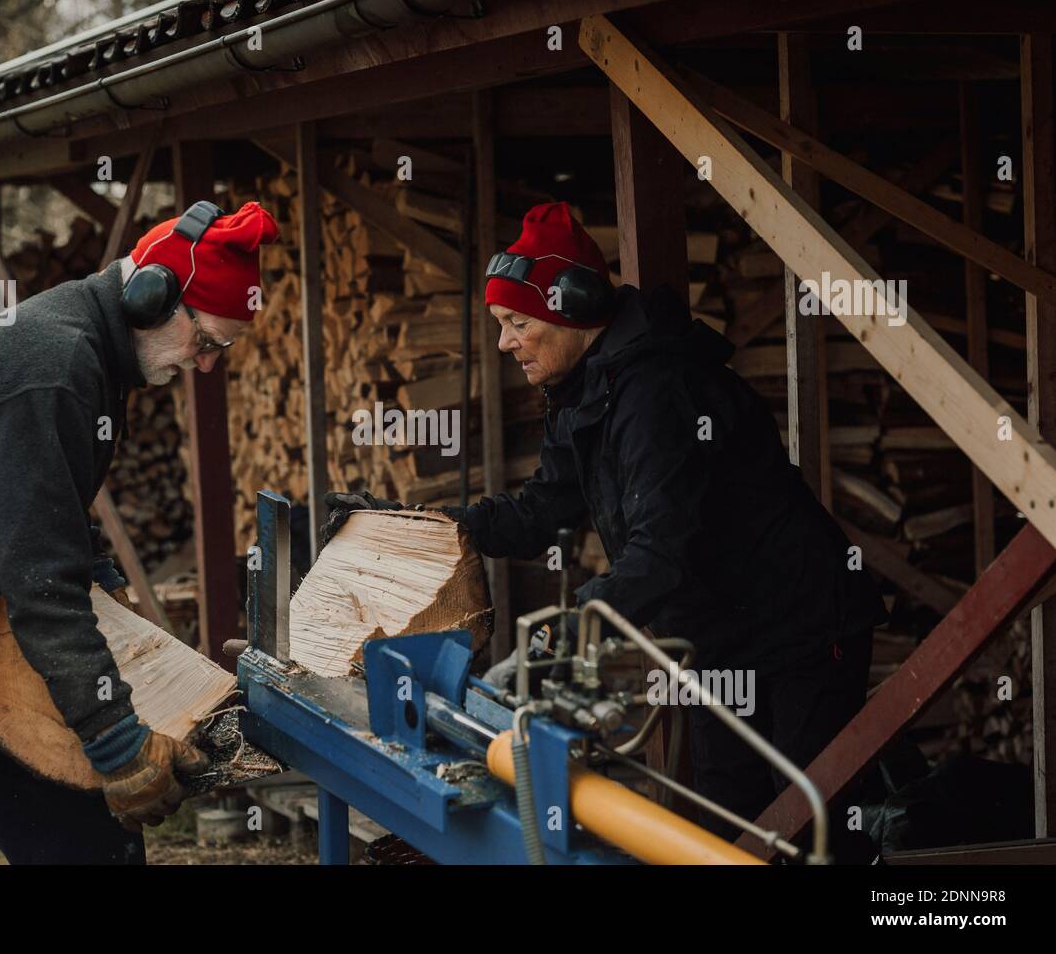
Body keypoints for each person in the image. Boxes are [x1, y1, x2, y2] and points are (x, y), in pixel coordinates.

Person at [326, 202, 886, 855]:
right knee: (729, 822)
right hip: (724, 640)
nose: (505, 342)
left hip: (803, 629)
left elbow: (663, 552)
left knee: (817, 822)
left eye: (516, 323)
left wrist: (569, 631)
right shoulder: (584, 392)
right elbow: (541, 509)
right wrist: (426, 526)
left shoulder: (658, 393)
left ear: (574, 310)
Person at [0, 200, 279, 864]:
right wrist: (119, 746)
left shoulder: (90, 354)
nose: (206, 365)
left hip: (6, 652)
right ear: (153, 295)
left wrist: (110, 597)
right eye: (208, 342)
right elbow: (40, 580)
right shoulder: (54, 365)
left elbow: (46, 520)